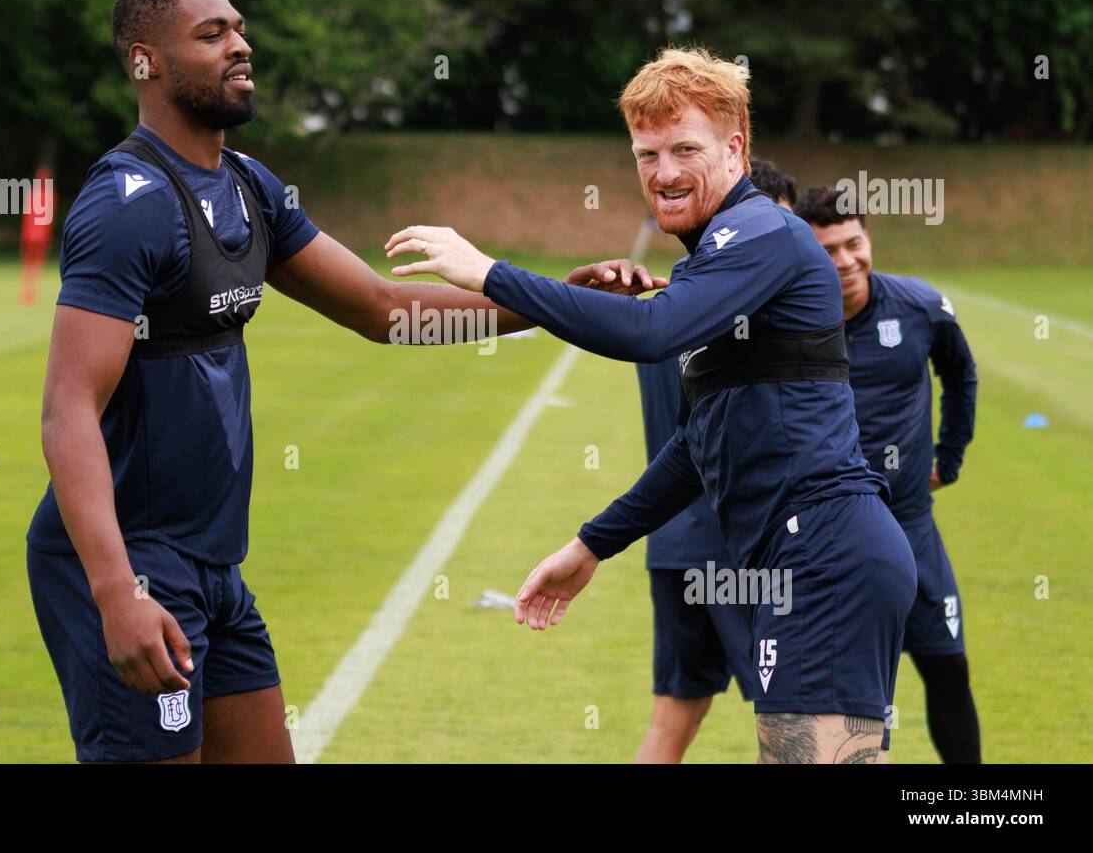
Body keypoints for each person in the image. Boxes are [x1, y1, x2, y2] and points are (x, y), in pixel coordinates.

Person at [25, 0, 621, 764]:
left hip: (211, 564)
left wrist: (550, 300)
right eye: (211, 35)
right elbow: (68, 407)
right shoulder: (128, 202)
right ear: (145, 62)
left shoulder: (247, 186)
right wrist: (115, 592)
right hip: (130, 561)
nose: (241, 45)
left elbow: (380, 310)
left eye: (238, 29)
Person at [386, 47, 917, 763]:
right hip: (803, 557)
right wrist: (591, 544)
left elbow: (651, 330)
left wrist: (489, 275)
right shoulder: (713, 261)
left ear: (736, 148)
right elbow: (702, 439)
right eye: (646, 154)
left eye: (684, 149)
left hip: (824, 555)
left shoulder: (762, 232)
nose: (663, 173)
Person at [795, 185, 981, 763]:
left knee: (949, 670)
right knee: (864, 701)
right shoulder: (791, 324)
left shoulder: (919, 306)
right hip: (839, 541)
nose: (846, 261)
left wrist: (947, 460)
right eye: (827, 249)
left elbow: (961, 374)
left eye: (854, 243)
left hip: (914, 526)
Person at [632, 157, 795, 763]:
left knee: (672, 720)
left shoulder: (666, 309)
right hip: (739, 547)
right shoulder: (748, 324)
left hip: (672, 546)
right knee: (790, 720)